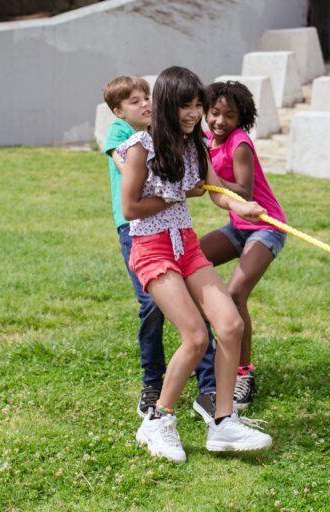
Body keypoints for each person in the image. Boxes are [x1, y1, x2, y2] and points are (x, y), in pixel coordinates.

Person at [114, 66, 273, 462]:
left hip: (185, 245)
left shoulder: (195, 146)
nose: (194, 113)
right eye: (187, 105)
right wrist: (174, 196)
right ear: (168, 103)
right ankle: (157, 421)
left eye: (197, 105)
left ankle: (222, 422)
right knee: (196, 336)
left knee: (231, 324)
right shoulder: (140, 147)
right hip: (152, 249)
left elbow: (217, 191)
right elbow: (131, 206)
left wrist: (244, 206)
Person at [102, 75, 217, 419]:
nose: (145, 104)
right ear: (117, 111)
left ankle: (208, 386)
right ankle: (153, 383)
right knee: (152, 305)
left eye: (146, 97)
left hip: (176, 231)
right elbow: (131, 180)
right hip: (136, 230)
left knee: (198, 310)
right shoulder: (126, 137)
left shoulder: (168, 134)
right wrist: (176, 187)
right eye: (134, 101)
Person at [192, 80, 288, 418]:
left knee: (235, 295)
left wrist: (212, 182)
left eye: (228, 116)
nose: (219, 121)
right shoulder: (204, 141)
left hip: (265, 226)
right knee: (189, 263)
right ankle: (202, 356)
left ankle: (244, 372)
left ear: (240, 118)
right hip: (238, 227)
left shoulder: (239, 144)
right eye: (214, 113)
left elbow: (245, 193)